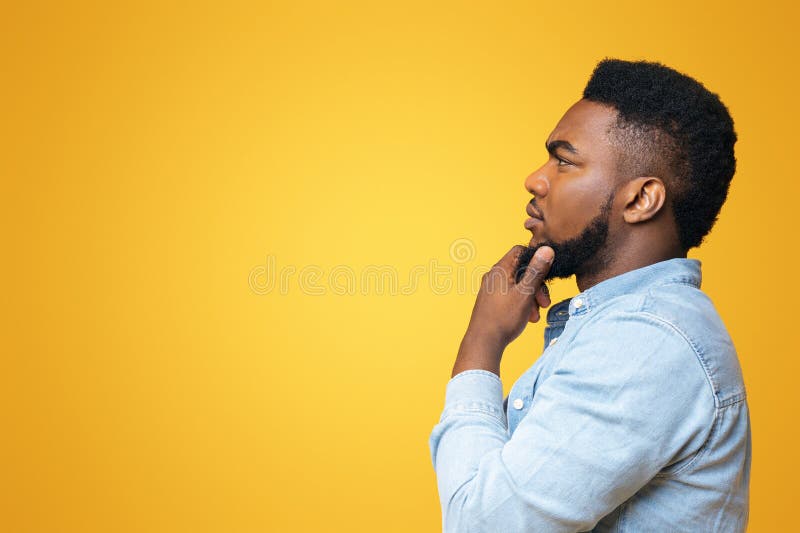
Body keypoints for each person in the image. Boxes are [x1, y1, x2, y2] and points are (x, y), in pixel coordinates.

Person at [429, 59, 750, 532]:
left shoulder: (645, 342)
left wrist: (481, 344)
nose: (536, 180)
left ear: (641, 200)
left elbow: (484, 525)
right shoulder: (624, 329)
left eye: (564, 161)